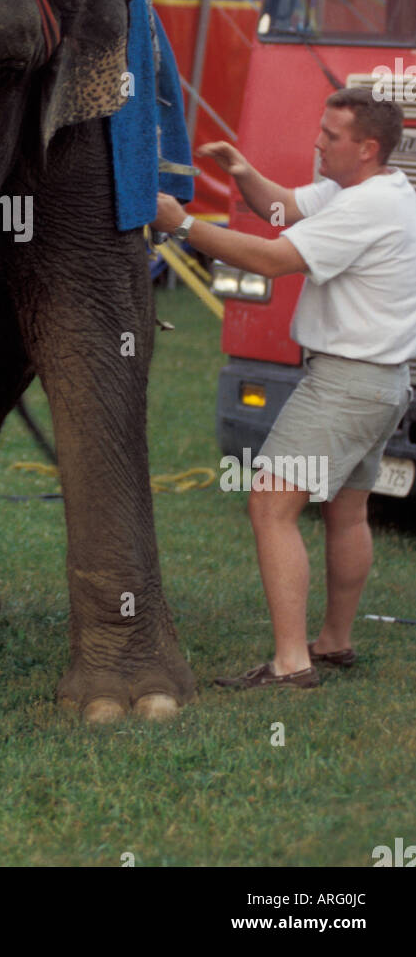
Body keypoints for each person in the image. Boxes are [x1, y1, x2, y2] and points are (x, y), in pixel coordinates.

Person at [153, 88, 416, 689]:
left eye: (330, 136)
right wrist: (244, 174)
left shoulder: (364, 207)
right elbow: (283, 210)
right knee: (347, 510)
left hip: (346, 384)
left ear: (367, 148)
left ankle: (292, 664)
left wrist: (183, 225)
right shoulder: (376, 189)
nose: (317, 143)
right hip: (382, 384)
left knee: (270, 503)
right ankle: (335, 642)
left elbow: (271, 258)